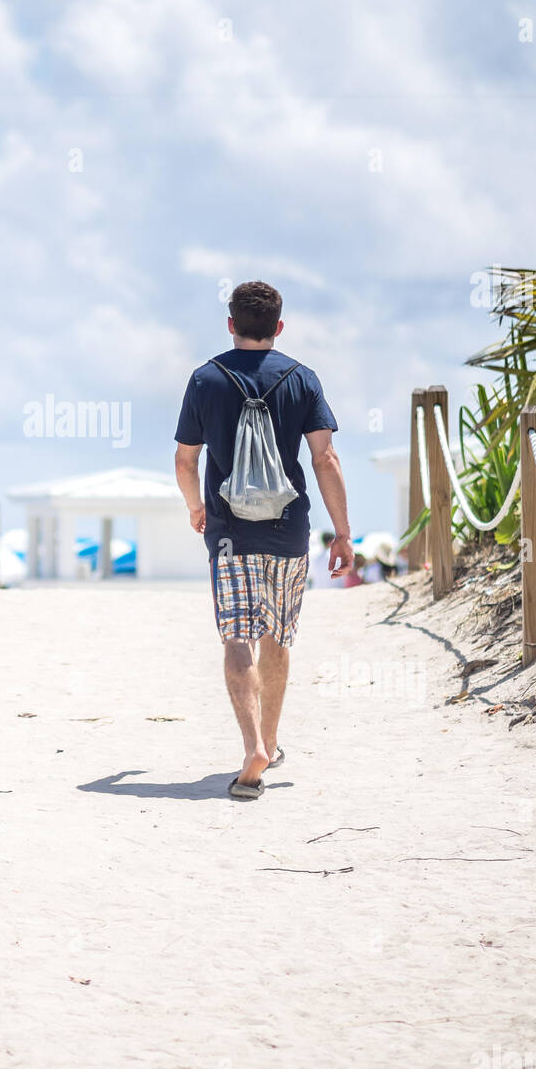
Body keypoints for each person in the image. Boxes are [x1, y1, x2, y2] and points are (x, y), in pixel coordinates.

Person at [174, 280, 352, 800]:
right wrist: (342, 533)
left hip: (229, 530)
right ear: (278, 326)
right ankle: (270, 744)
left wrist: (196, 507)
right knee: (277, 635)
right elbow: (325, 459)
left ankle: (251, 745)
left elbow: (186, 460)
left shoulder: (206, 379)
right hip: (288, 528)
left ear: (231, 325)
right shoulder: (302, 379)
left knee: (237, 637)